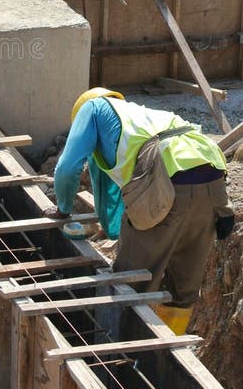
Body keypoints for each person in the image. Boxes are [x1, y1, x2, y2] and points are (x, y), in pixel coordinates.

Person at [47, 87, 235, 334]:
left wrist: (63, 210)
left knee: (131, 283)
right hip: (214, 181)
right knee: (182, 290)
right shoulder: (140, 117)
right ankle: (166, 358)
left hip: (168, 183)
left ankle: (124, 355)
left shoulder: (91, 109)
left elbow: (67, 168)